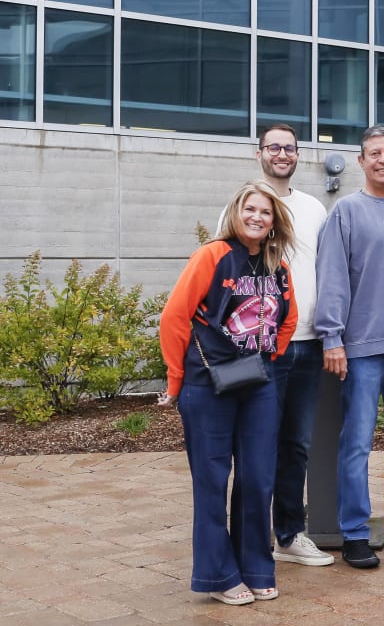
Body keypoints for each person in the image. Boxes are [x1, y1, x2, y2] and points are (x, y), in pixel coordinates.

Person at [158, 180, 297, 605]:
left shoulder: (277, 266)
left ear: (275, 222)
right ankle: (218, 575)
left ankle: (256, 566)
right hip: (206, 385)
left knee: (258, 478)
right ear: (236, 213)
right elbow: (175, 318)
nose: (257, 217)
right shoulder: (212, 256)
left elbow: (288, 319)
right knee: (212, 481)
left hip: (257, 385)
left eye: (265, 212)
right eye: (250, 210)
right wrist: (176, 381)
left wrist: (268, 355)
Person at [314, 125, 384, 569]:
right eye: (374, 153)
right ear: (361, 161)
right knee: (357, 443)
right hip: (361, 349)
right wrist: (332, 337)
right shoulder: (345, 212)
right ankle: (355, 534)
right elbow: (332, 278)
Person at [250, 125, 334, 568]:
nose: (281, 154)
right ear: (259, 152)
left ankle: (289, 533)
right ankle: (251, 537)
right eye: (273, 147)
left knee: (296, 444)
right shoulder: (249, 205)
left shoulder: (313, 207)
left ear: (298, 155)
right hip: (264, 348)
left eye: (289, 147)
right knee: (258, 442)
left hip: (309, 344)